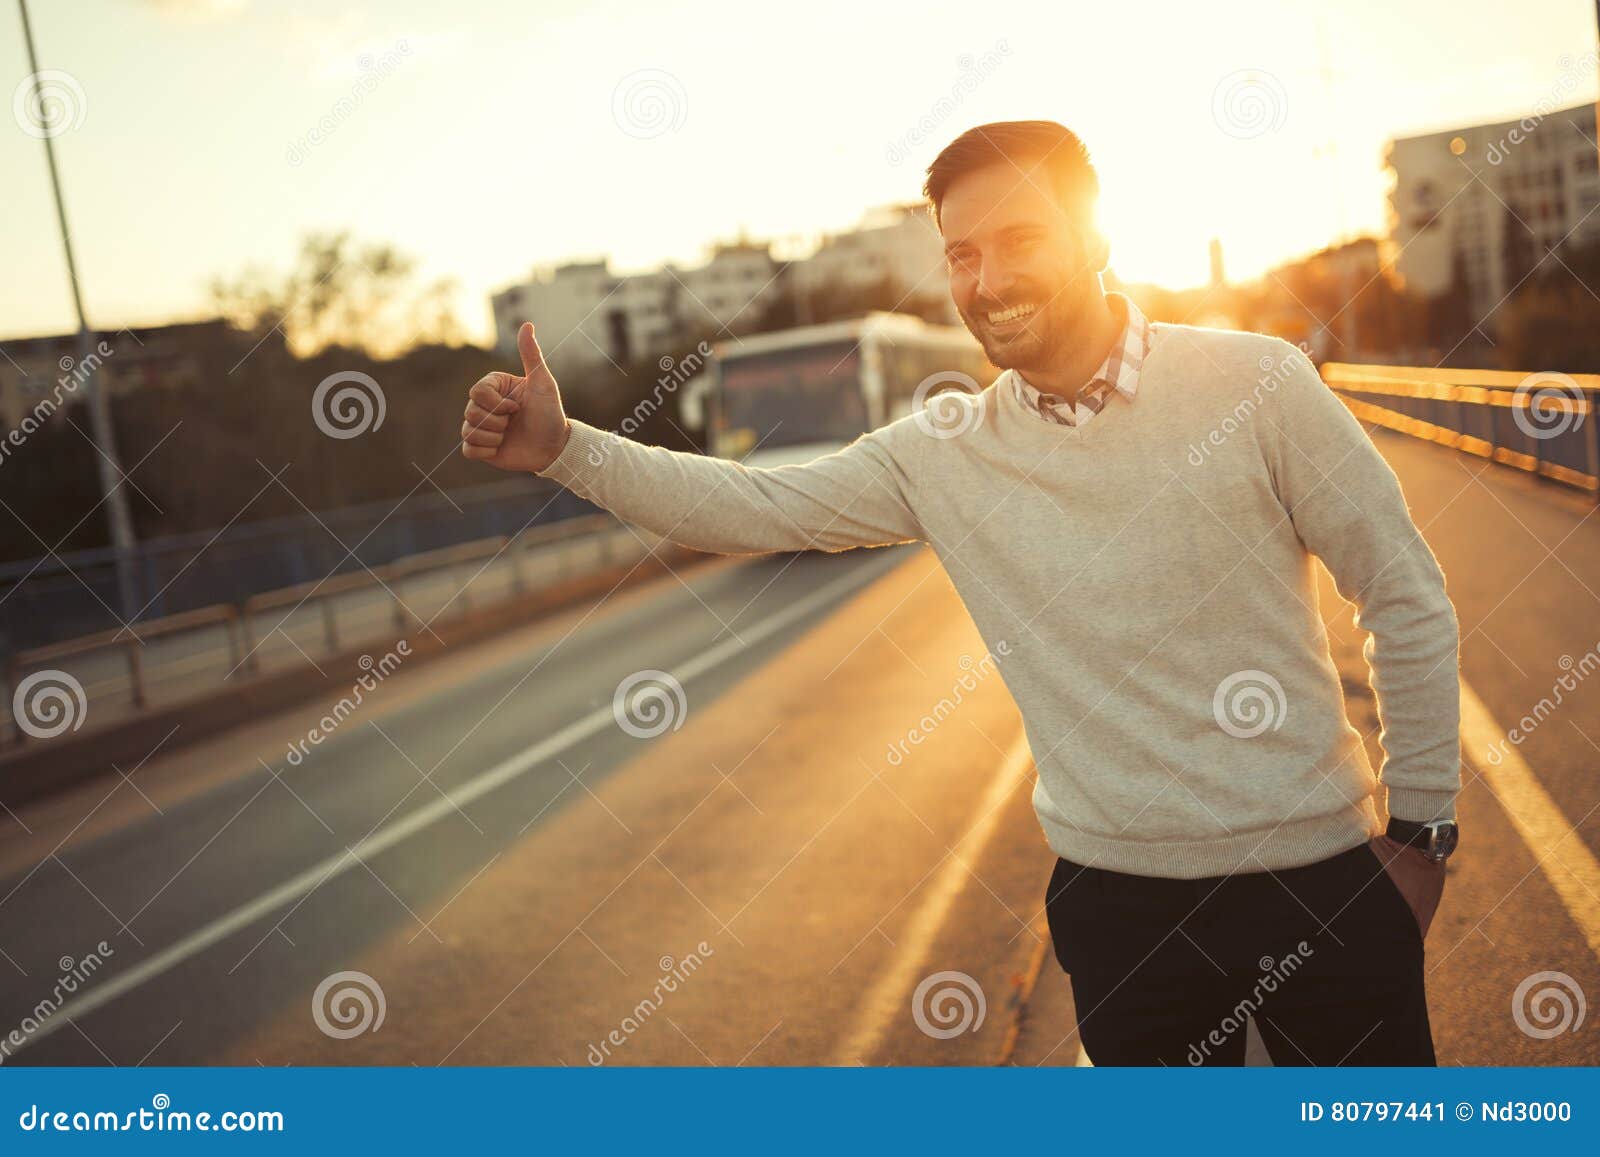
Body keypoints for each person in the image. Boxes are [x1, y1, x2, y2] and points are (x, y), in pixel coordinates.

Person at [457, 120, 1461, 1066]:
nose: (986, 279)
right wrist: (566, 450)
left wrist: (1420, 836)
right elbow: (749, 505)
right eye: (961, 254)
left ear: (1094, 236)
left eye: (1019, 238)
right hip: (1118, 909)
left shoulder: (1257, 383)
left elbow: (1401, 590)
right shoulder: (943, 451)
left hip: (1317, 881)